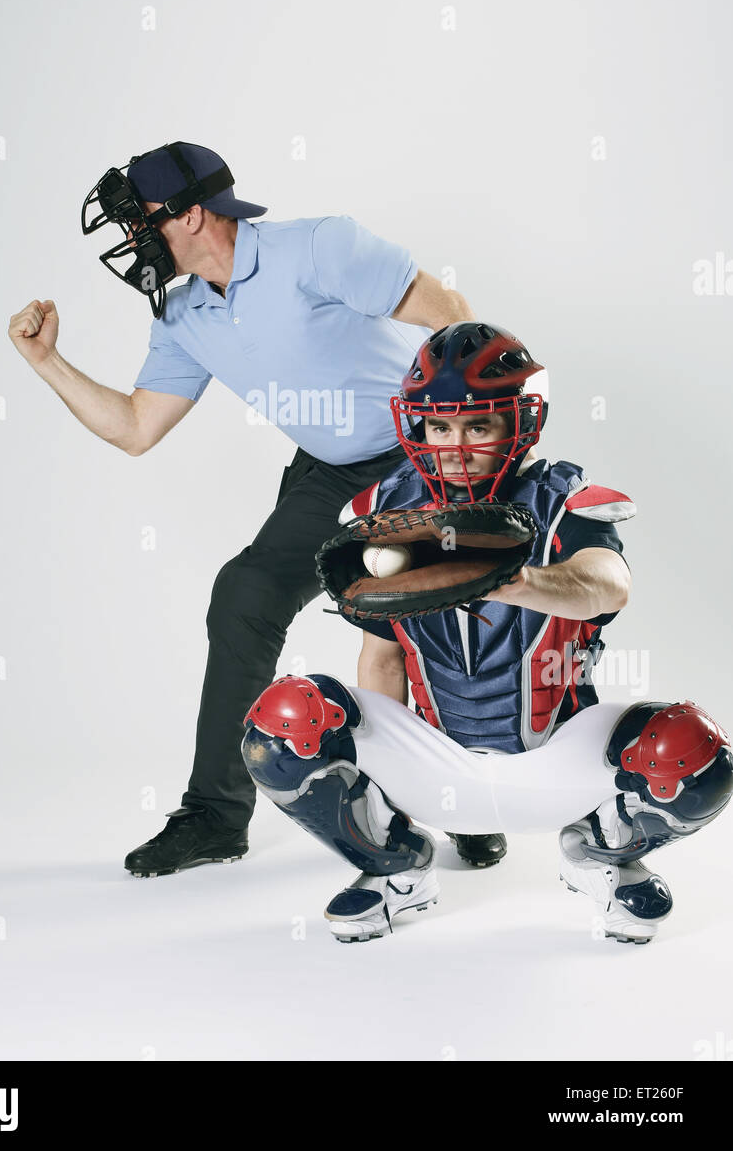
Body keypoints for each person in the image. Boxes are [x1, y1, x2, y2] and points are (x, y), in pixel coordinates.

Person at [8, 140, 491, 878]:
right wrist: (47, 364)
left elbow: (453, 318)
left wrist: (464, 459)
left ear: (193, 214)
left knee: (415, 626)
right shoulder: (182, 314)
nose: (133, 243)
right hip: (329, 473)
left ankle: (457, 800)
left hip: (416, 456)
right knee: (246, 594)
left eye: (142, 224)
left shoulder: (320, 248)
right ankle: (213, 816)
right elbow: (138, 428)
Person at [241, 322, 733, 943]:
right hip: (439, 760)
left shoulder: (561, 501)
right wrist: (388, 792)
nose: (454, 445)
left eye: (478, 426)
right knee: (285, 718)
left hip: (558, 762)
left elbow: (608, 583)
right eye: (440, 426)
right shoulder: (388, 513)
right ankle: (395, 866)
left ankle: (601, 853)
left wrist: (514, 579)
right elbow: (383, 663)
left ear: (519, 424)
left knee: (693, 748)